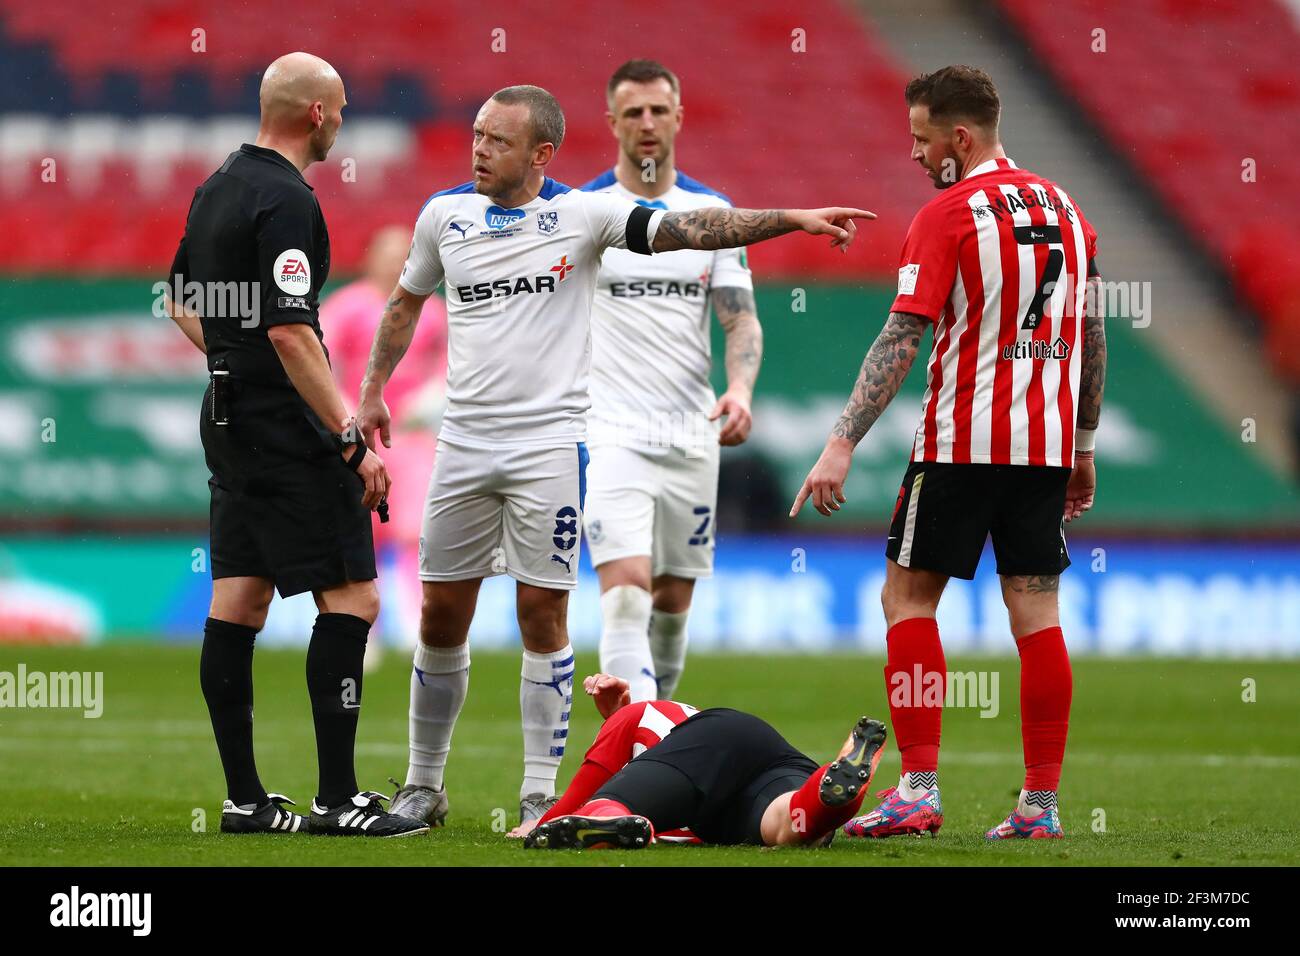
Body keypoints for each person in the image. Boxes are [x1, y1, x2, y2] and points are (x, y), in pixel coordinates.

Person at [354, 83, 874, 830]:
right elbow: (404, 305)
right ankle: (422, 785)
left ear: (541, 153)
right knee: (440, 611)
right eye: (475, 134)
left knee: (544, 614)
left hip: (550, 449)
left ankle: (538, 792)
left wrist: (788, 219)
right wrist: (374, 388)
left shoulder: (584, 216)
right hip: (463, 446)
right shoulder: (445, 216)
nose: (478, 149)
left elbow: (693, 228)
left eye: (496, 140)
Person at [791, 66, 1104, 840]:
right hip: (1042, 448)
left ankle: (920, 789)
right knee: (1037, 615)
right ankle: (1041, 807)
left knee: (908, 599)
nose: (914, 155)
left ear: (959, 139)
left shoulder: (949, 213)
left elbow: (903, 334)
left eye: (922, 140)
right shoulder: (1069, 210)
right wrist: (1084, 445)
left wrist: (840, 443)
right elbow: (1092, 339)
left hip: (961, 444)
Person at [162, 51, 424, 838]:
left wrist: (229, 359)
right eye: (339, 109)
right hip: (283, 424)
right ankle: (338, 801)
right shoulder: (287, 201)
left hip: (227, 416)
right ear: (317, 113)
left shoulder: (216, 189)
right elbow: (290, 330)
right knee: (353, 597)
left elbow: (177, 300)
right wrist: (349, 437)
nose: (341, 123)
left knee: (237, 599)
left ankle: (244, 801)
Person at [579, 59, 762, 703]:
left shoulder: (711, 215)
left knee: (672, 605)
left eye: (659, 110)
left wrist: (739, 390)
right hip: (612, 430)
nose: (647, 123)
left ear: (679, 116)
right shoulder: (586, 212)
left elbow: (740, 321)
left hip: (691, 432)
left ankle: (656, 736)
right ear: (613, 123)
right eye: (633, 113)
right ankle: (637, 756)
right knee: (627, 594)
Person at [512, 673, 886, 850]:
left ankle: (605, 825)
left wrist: (542, 824)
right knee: (788, 826)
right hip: (761, 769)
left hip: (715, 740)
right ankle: (830, 797)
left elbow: (585, 787)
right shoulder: (662, 751)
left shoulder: (633, 718)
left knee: (603, 805)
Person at [319, 225, 449, 671]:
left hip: (411, 434)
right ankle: (363, 630)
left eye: (404, 255)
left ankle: (418, 626)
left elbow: (451, 365)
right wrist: (345, 414)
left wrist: (426, 401)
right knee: (363, 532)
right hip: (360, 436)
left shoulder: (432, 311)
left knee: (415, 533)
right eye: (389, 254)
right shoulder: (346, 307)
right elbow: (322, 362)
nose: (397, 263)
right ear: (370, 256)